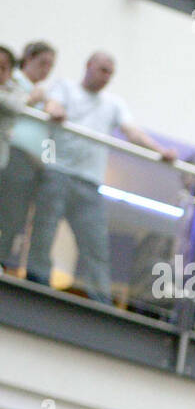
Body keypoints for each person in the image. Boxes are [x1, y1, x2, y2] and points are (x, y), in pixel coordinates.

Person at [24, 51, 177, 305]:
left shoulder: (113, 104)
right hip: (57, 173)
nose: (106, 76)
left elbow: (132, 131)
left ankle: (101, 300)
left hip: (89, 183)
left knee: (95, 245)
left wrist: (160, 150)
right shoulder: (66, 87)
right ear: (89, 66)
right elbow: (52, 104)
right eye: (102, 69)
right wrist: (55, 110)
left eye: (110, 72)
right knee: (44, 232)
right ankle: (36, 283)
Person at [0, 40, 59, 272]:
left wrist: (48, 162)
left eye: (50, 66)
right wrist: (33, 98)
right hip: (13, 157)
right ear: (28, 59)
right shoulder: (14, 83)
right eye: (42, 63)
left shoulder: (45, 96)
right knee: (8, 214)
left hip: (32, 166)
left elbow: (48, 135)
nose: (46, 70)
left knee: (14, 220)